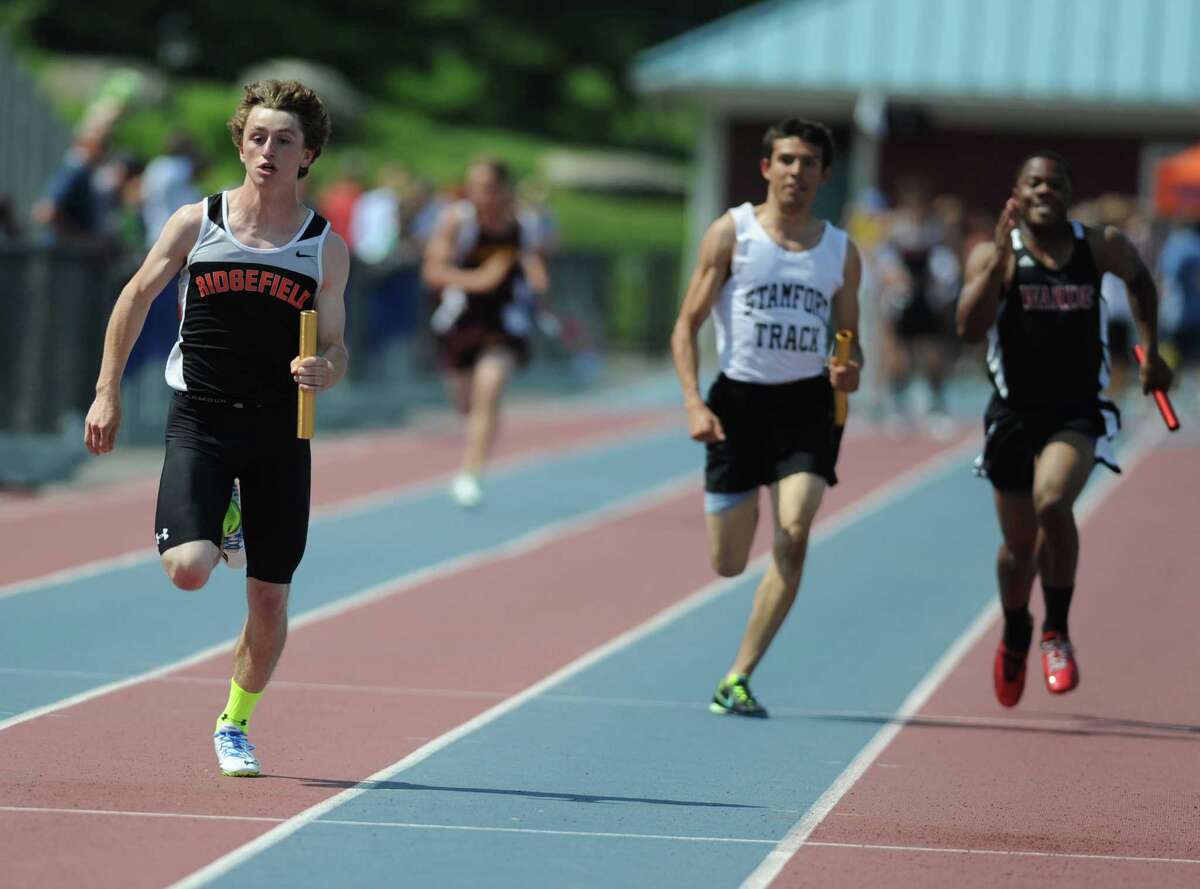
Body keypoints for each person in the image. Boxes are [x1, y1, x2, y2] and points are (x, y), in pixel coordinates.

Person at [83, 80, 349, 775]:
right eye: (257, 137)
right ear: (240, 143)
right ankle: (221, 515)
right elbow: (135, 296)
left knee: (268, 596)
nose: (267, 150)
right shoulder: (196, 223)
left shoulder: (322, 245)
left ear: (307, 155)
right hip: (200, 418)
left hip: (281, 431)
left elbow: (338, 343)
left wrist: (325, 366)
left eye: (283, 140)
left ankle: (234, 723)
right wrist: (105, 391)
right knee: (190, 569)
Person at [956, 150, 1171, 708]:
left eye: (1055, 183)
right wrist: (998, 260)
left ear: (1068, 193)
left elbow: (1141, 281)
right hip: (1011, 415)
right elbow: (966, 328)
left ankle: (1055, 630)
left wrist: (1151, 350)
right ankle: (1015, 629)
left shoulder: (1099, 244)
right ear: (1017, 193)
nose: (1045, 191)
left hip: (1077, 409)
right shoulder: (996, 252)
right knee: (1018, 549)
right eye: (1034, 183)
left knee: (1054, 502)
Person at [670, 118, 862, 718]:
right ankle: (745, 507)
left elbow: (849, 340)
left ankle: (739, 675)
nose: (796, 173)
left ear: (824, 175)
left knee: (795, 532)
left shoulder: (839, 250)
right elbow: (685, 327)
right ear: (765, 168)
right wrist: (695, 403)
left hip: (807, 409)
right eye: (786, 161)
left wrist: (849, 367)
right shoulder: (733, 233)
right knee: (728, 563)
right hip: (737, 406)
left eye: (808, 163)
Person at [422, 157, 551, 508]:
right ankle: (480, 428)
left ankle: (470, 474)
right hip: (462, 320)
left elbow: (534, 260)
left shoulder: (525, 223)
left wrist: (539, 283)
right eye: (476, 187)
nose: (483, 195)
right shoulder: (456, 220)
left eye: (490, 188)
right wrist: (477, 280)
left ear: (505, 189)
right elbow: (433, 271)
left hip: (505, 321)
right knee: (465, 404)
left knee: (489, 391)